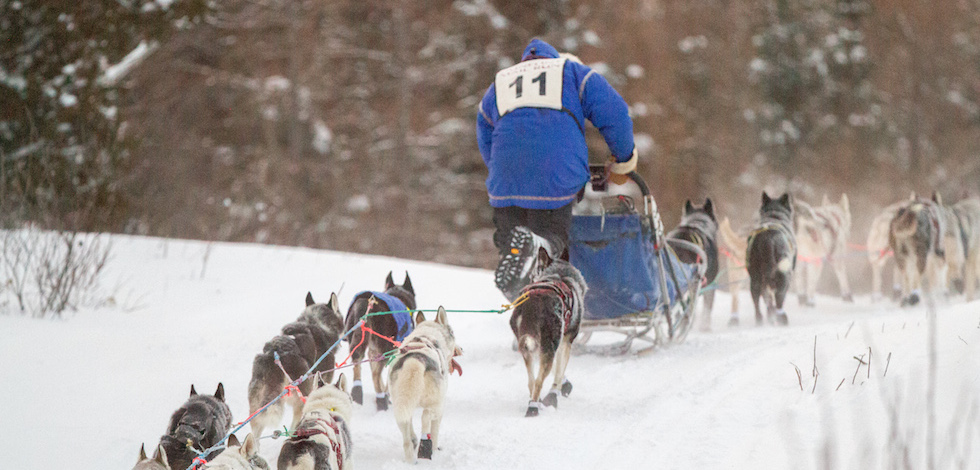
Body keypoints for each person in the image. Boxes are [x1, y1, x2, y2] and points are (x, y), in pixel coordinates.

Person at [477, 38, 637, 300]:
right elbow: (614, 111)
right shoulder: (572, 72)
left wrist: (504, 174)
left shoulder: (499, 83)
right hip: (554, 177)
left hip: (506, 182)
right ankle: (540, 246)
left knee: (514, 253)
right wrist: (624, 158)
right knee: (552, 238)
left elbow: (484, 128)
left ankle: (524, 303)